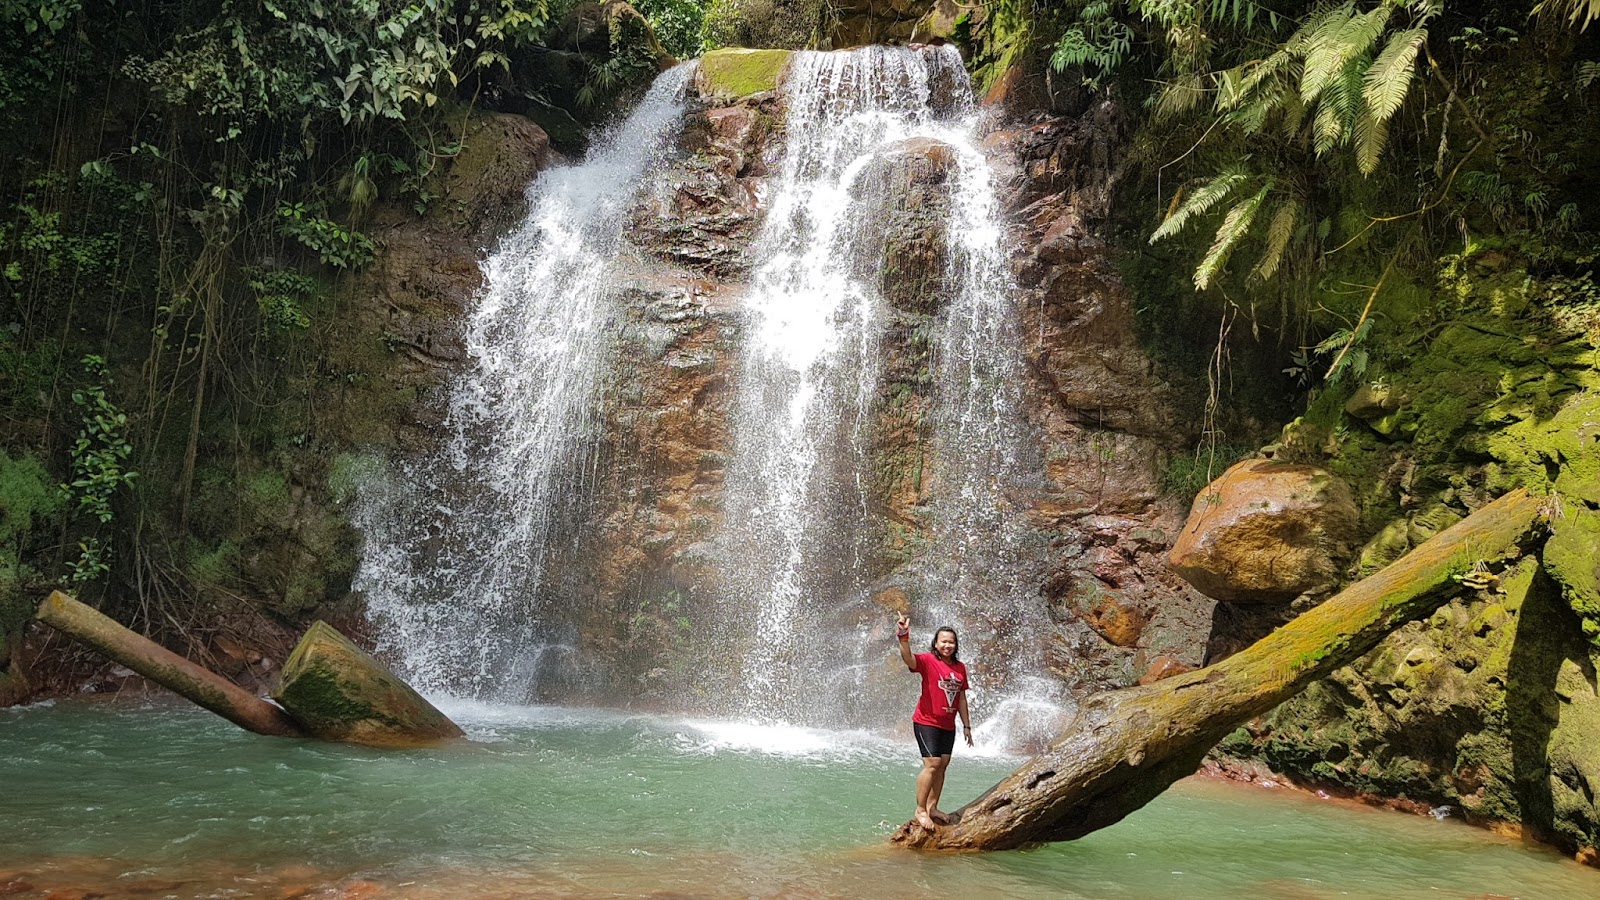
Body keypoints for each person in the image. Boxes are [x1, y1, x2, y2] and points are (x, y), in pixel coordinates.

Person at [896, 614, 971, 829]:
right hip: (926, 722)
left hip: (948, 725)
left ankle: (933, 807)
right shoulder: (929, 661)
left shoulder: (960, 667)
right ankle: (920, 810)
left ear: (956, 645)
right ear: (936, 644)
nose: (947, 645)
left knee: (942, 765)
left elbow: (961, 698)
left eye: (951, 642)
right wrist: (903, 636)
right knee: (932, 765)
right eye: (943, 641)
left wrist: (967, 726)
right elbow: (909, 659)